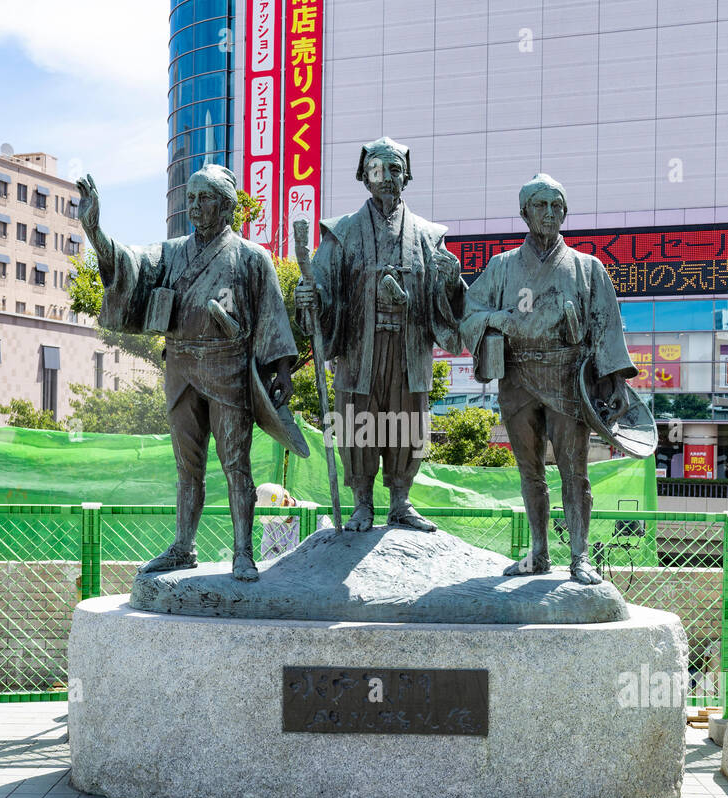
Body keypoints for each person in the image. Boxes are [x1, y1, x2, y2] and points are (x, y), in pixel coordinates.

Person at [77, 164, 296, 582]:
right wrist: (95, 232)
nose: (195, 206)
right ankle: (183, 547)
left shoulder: (252, 258)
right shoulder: (172, 252)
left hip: (228, 369)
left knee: (236, 465)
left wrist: (282, 369)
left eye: (205, 198)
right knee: (187, 467)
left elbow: (272, 315)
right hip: (180, 366)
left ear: (227, 206)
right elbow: (128, 266)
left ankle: (243, 552)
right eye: (191, 198)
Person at [460, 173, 644, 585]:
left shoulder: (586, 268)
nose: (549, 213)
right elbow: (469, 314)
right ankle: (539, 552)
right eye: (540, 205)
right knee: (530, 472)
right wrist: (498, 318)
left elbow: (606, 327)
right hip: (519, 378)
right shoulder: (502, 266)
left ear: (565, 212)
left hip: (569, 377)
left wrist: (615, 381)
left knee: (574, 471)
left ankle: (580, 556)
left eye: (556, 205)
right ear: (524, 212)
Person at [294, 136, 467, 533]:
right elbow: (321, 285)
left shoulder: (428, 235)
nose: (386, 177)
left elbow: (451, 302)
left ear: (406, 176)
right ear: (364, 177)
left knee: (408, 421)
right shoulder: (342, 232)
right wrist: (310, 296)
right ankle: (362, 504)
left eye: (394, 169)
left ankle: (401, 501)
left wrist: (449, 283)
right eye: (377, 169)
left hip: (408, 349)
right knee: (356, 421)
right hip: (360, 349)